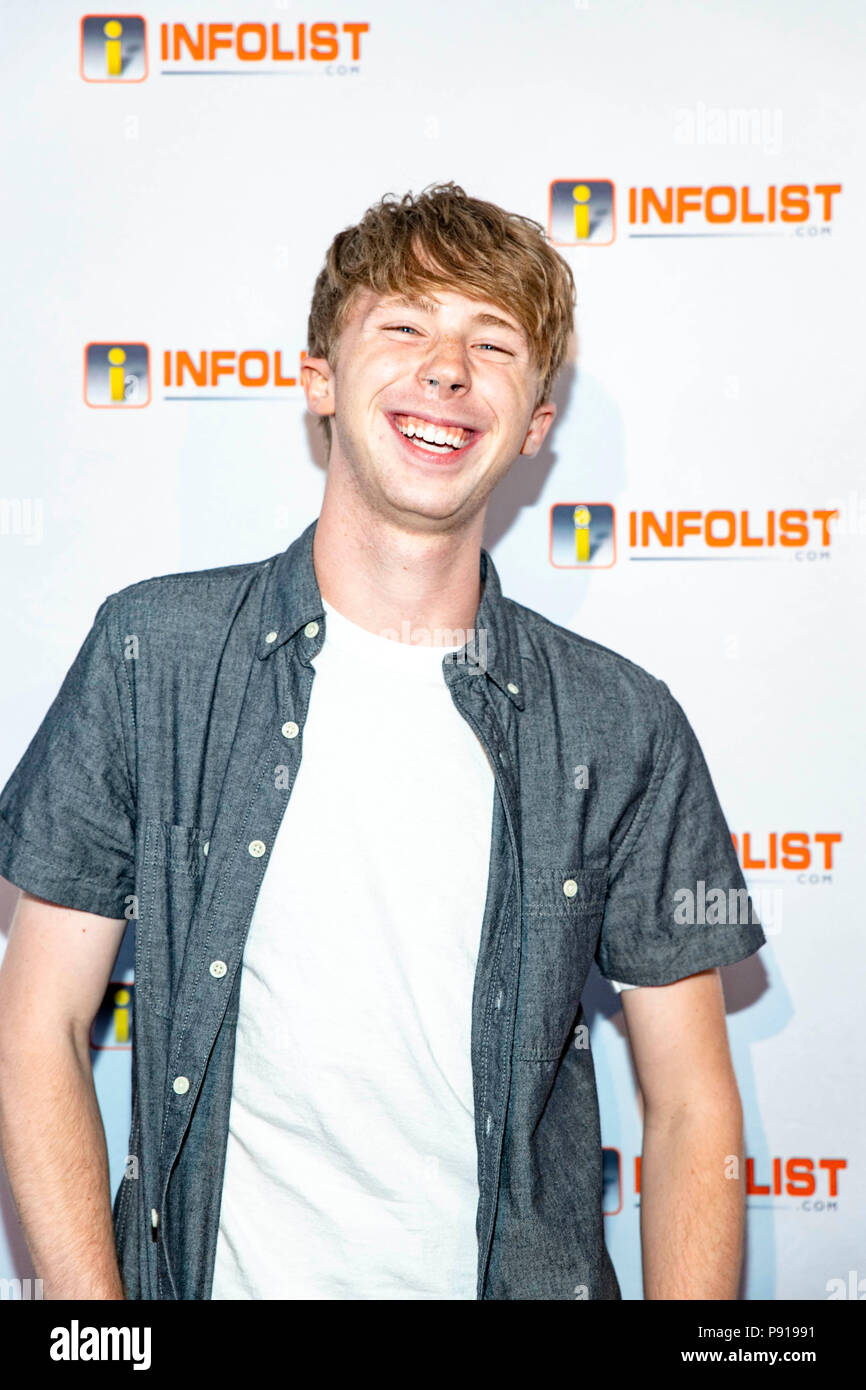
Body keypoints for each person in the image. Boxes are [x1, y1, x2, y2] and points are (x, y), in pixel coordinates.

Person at [0, 182, 765, 1301]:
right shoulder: (149, 654)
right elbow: (39, 1032)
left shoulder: (617, 718)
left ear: (536, 424)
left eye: (490, 343)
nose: (446, 368)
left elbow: (692, 1103)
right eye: (403, 325)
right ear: (318, 379)